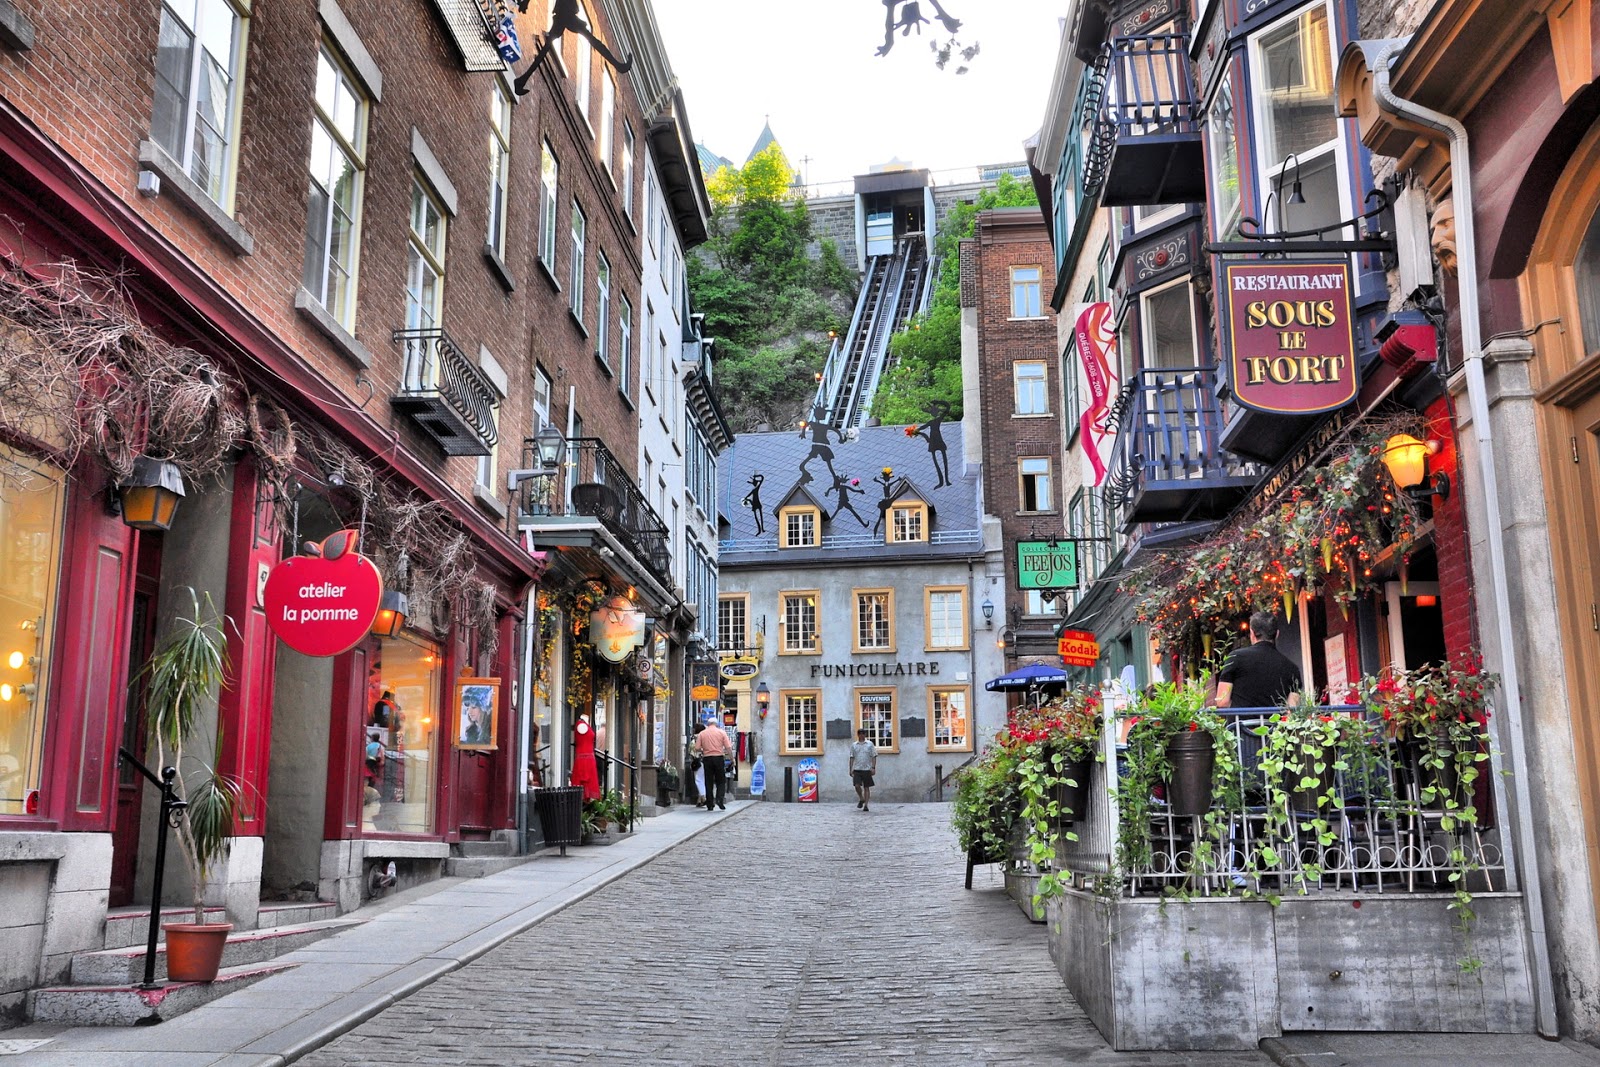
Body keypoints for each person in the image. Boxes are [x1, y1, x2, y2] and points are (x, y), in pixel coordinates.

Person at [1214, 611, 1304, 709]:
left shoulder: (1235, 658)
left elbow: (1222, 701)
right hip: (1274, 724)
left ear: (1252, 632)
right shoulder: (1292, 668)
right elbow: (1292, 709)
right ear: (1277, 634)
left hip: (1240, 723)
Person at [695, 720, 732, 811]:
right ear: (716, 724)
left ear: (708, 724)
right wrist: (732, 758)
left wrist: (704, 750)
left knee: (708, 781)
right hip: (719, 758)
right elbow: (728, 747)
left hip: (707, 758)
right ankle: (719, 798)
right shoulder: (721, 732)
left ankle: (710, 803)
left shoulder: (702, 734)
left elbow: (697, 748)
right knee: (721, 780)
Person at [570, 712, 601, 802]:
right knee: (584, 778)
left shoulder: (585, 725)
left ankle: (586, 800)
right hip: (584, 758)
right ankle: (583, 799)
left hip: (587, 757)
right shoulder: (581, 726)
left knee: (588, 779)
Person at [849, 728, 878, 811]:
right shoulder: (854, 745)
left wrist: (873, 767)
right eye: (860, 733)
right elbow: (851, 757)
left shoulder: (869, 744)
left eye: (863, 733)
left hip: (867, 769)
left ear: (865, 735)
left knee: (866, 787)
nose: (861, 735)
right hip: (857, 768)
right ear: (858, 735)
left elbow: (874, 756)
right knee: (857, 786)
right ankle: (861, 798)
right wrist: (850, 768)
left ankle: (866, 805)